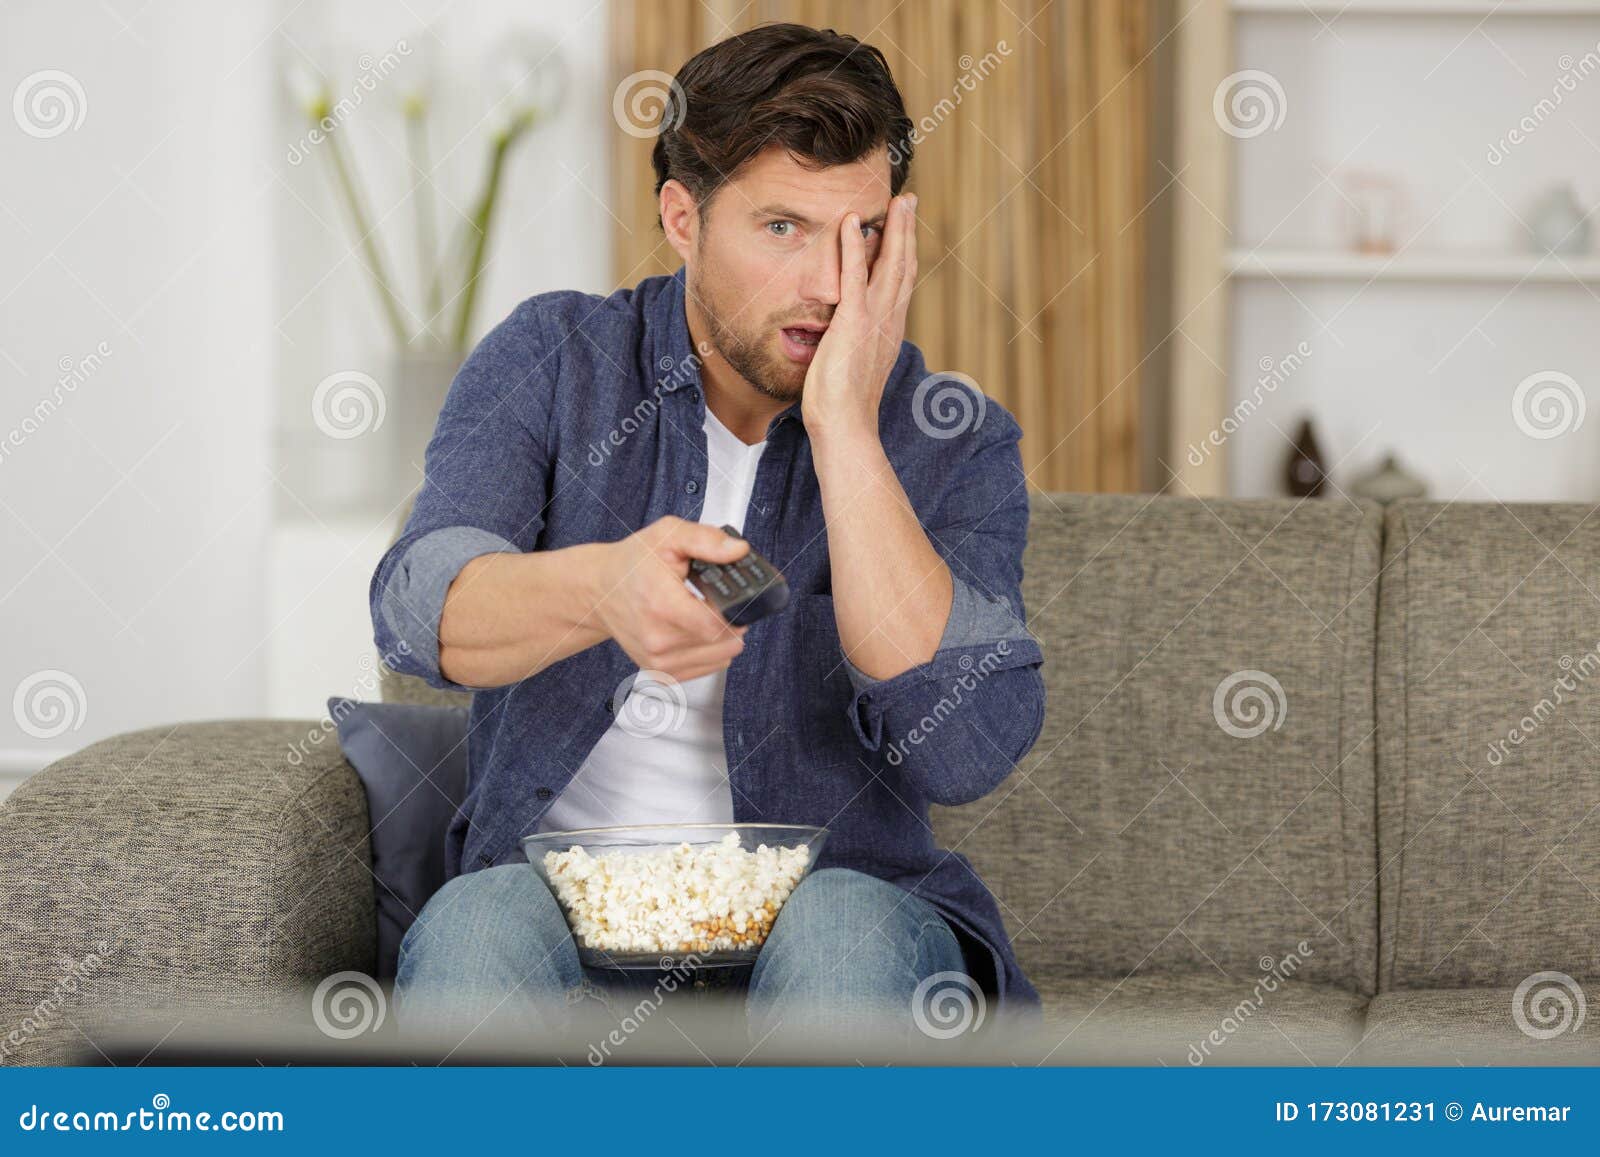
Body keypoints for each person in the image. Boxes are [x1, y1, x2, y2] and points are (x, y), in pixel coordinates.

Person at [370, 22, 1045, 1053]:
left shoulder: (950, 436)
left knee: (842, 932)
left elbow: (967, 745)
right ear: (682, 217)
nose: (829, 281)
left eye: (860, 232)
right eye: (782, 227)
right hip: (558, 907)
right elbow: (421, 610)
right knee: (475, 925)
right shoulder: (553, 360)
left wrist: (846, 430)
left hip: (837, 908)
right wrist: (602, 590)